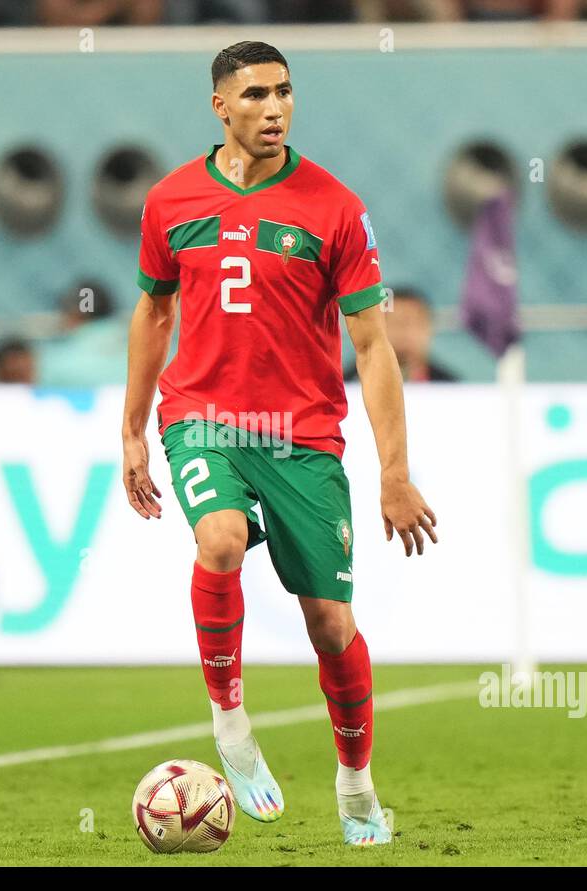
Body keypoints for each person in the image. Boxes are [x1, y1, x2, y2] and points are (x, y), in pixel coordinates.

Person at [122, 41, 437, 847]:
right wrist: (132, 428)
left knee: (330, 624)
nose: (274, 107)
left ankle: (357, 783)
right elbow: (155, 314)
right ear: (220, 107)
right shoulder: (170, 201)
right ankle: (228, 720)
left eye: (285, 92)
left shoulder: (334, 208)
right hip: (204, 417)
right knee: (219, 540)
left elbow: (372, 347)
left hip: (302, 433)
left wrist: (393, 474)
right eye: (256, 94)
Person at [346, 286, 460, 382]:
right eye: (397, 323)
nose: (406, 333)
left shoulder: (450, 388)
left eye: (415, 323)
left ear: (429, 328)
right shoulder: (348, 384)